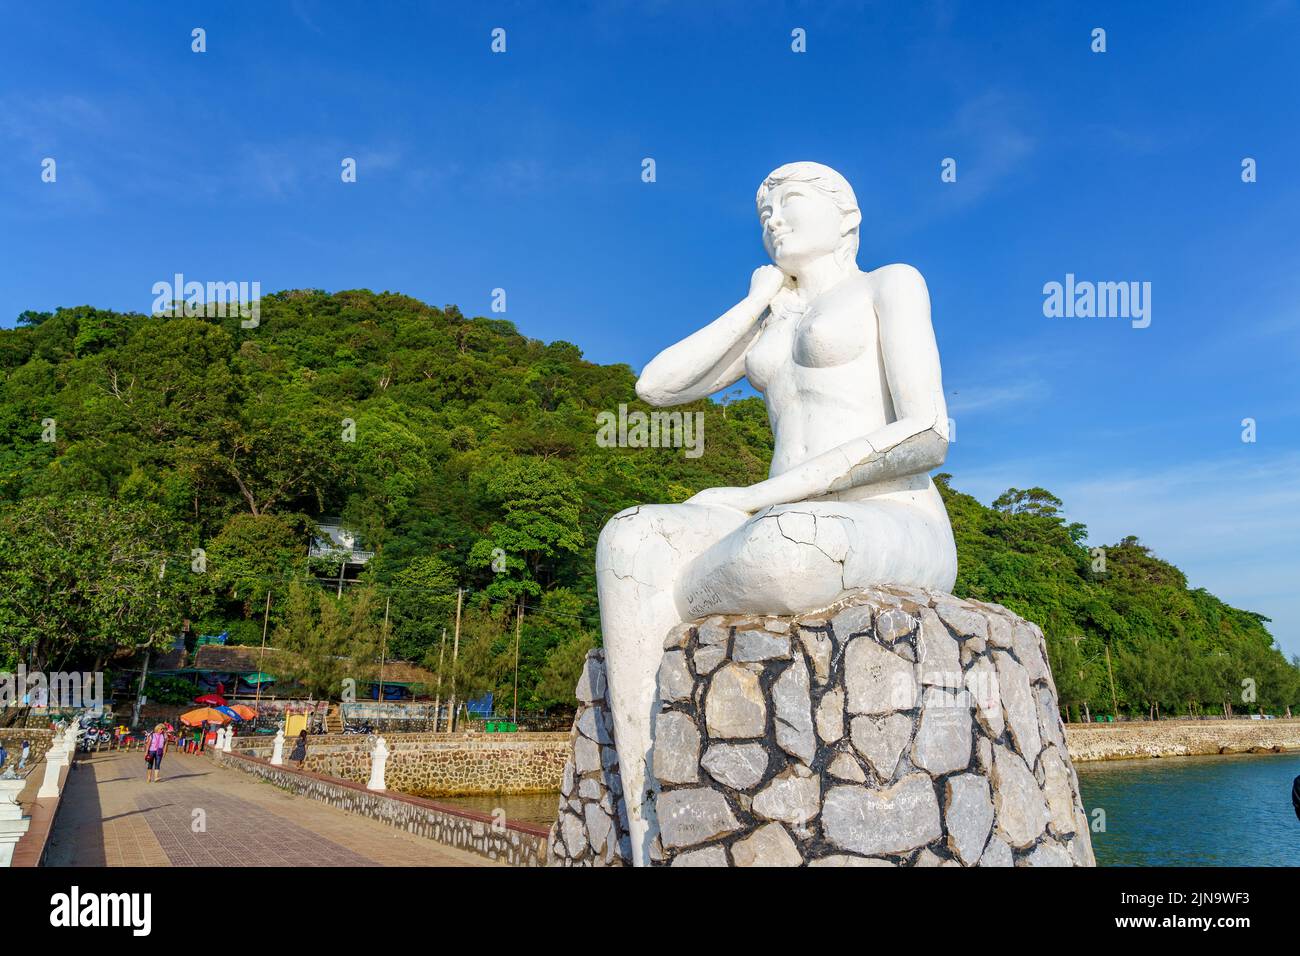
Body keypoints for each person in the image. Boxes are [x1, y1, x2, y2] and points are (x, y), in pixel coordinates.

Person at [597, 162, 957, 865]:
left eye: (791, 203)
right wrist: (756, 300)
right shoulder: (773, 315)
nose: (775, 220)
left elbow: (928, 432)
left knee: (785, 548)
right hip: (780, 519)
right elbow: (657, 387)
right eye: (764, 213)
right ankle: (649, 830)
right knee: (630, 539)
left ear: (847, 219)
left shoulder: (890, 284)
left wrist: (761, 497)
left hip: (889, 515)